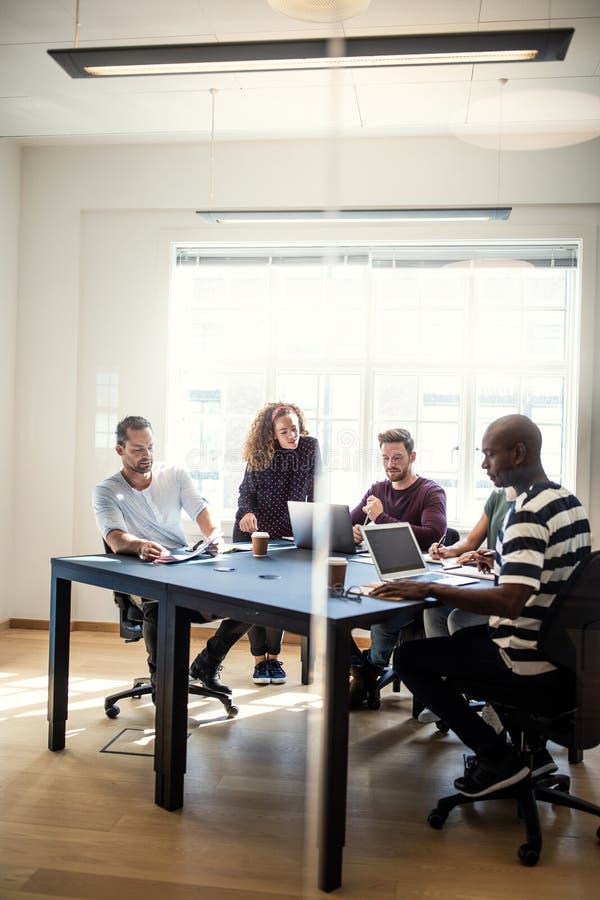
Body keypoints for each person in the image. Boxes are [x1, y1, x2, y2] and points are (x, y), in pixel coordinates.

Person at [371, 414, 592, 798]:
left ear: (518, 453)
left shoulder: (526, 513)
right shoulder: (567, 503)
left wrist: (430, 591)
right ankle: (534, 756)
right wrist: (498, 557)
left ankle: (497, 758)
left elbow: (509, 601)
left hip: (523, 660)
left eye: (490, 455)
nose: (484, 465)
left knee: (410, 658)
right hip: (565, 659)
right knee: (465, 638)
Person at [93, 415, 250, 700]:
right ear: (120, 450)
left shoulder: (175, 475)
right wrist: (140, 545)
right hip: (145, 573)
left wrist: (213, 535)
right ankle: (160, 677)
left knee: (251, 601)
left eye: (151, 447)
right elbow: (114, 538)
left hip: (184, 566)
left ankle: (208, 663)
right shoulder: (106, 491)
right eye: (138, 449)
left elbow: (200, 509)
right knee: (159, 604)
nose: (147, 455)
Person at [348, 428, 447, 706]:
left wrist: (381, 518)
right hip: (374, 573)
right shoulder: (377, 489)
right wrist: (353, 531)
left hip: (415, 579)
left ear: (412, 456)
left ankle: (370, 671)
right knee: (330, 612)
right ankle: (364, 669)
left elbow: (433, 534)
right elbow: (349, 521)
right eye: (385, 458)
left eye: (397, 457)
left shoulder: (430, 491)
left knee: (383, 618)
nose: (391, 464)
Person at [233, 402, 321, 686]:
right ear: (272, 434)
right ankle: (260, 661)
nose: (292, 435)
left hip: (287, 533)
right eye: (284, 431)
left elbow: (318, 491)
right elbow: (246, 492)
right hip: (254, 532)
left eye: (294, 428)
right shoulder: (260, 453)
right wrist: (246, 512)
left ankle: (274, 657)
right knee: (255, 598)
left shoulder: (309, 448)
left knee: (279, 599)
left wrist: (316, 527)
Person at [416, 487, 515, 724]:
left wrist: (495, 559)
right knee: (435, 610)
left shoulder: (535, 504)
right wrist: (447, 551)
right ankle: (447, 693)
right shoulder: (497, 497)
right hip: (488, 584)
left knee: (458, 619)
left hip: (510, 595)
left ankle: (490, 694)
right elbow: (471, 541)